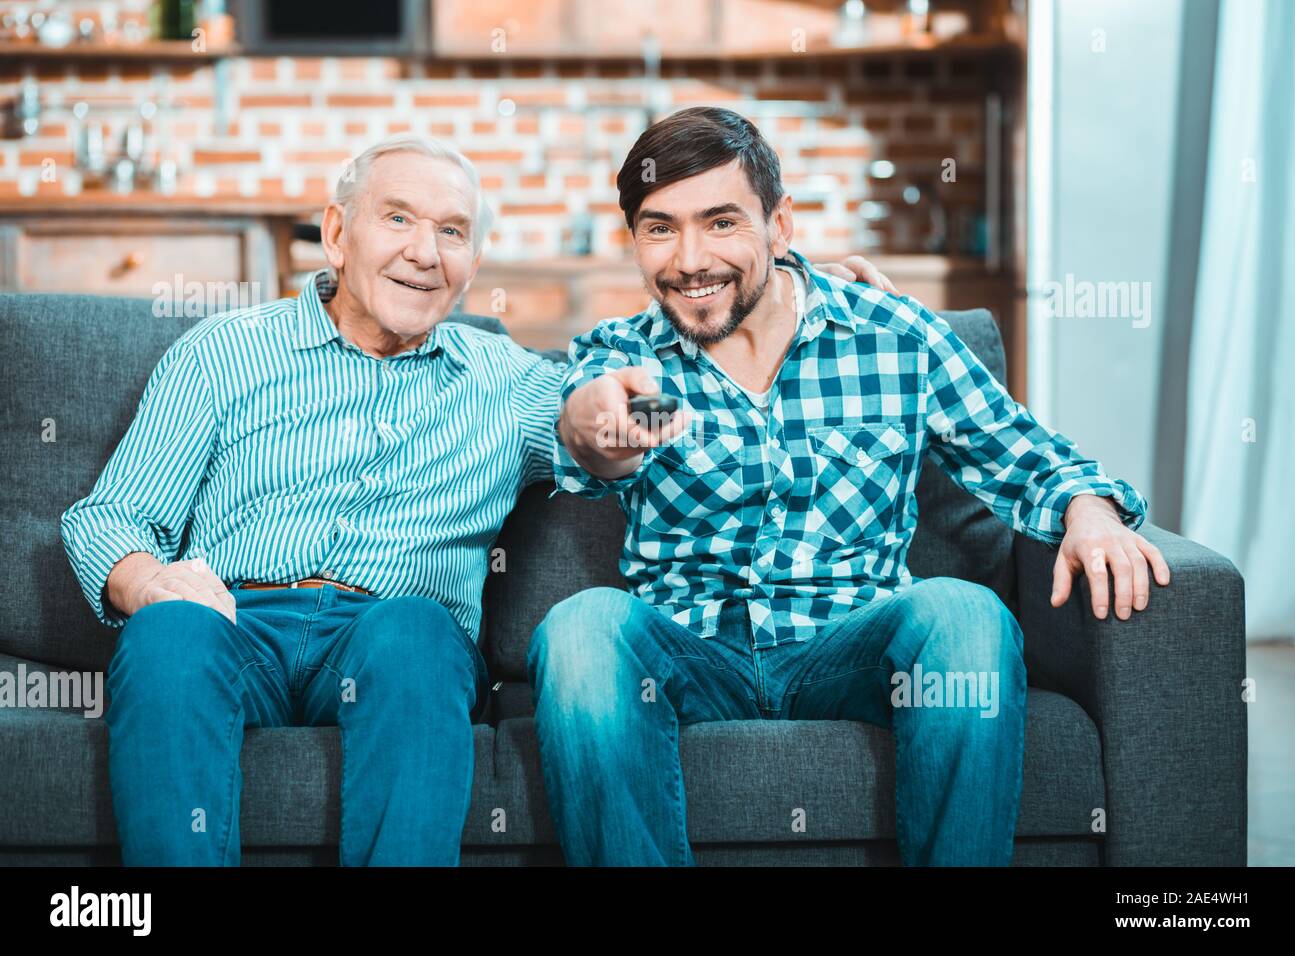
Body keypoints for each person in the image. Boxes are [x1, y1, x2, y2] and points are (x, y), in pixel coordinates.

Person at [60, 131, 891, 866]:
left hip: (398, 637)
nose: (426, 252)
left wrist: (794, 291)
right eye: (398, 220)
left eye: (452, 233)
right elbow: (112, 516)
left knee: (415, 630)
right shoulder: (224, 351)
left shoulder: (505, 379)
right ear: (337, 234)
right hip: (237, 619)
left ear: (472, 265)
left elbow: (630, 400)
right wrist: (147, 581)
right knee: (168, 634)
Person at [529, 107, 1172, 866]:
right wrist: (596, 424)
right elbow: (591, 428)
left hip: (851, 644)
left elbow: (1027, 454)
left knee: (965, 613)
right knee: (579, 629)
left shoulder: (894, 337)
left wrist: (1088, 511)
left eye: (722, 222)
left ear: (779, 224)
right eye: (659, 228)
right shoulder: (628, 355)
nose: (690, 258)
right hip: (689, 652)